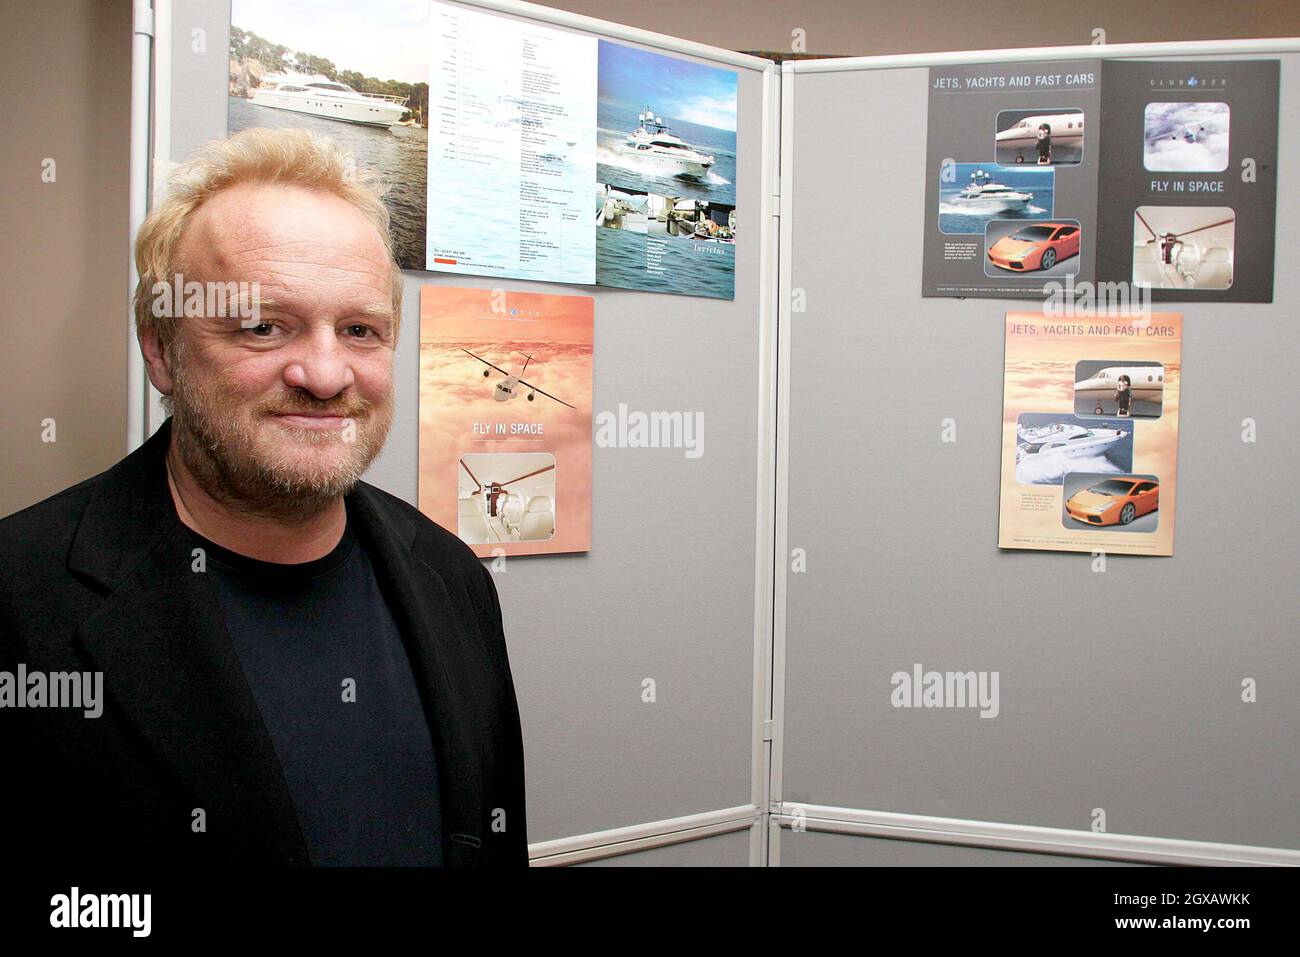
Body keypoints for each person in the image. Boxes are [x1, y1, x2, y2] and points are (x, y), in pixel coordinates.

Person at [0, 128, 527, 866]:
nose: (324, 372)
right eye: (262, 326)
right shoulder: (19, 600)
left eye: (359, 329)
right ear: (162, 349)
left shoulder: (453, 578)